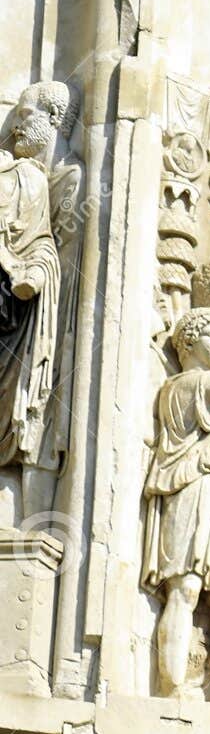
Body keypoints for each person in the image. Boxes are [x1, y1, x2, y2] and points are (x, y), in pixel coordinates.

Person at [142, 307, 210, 704]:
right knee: (185, 590)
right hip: (192, 488)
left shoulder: (206, 381)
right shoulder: (189, 383)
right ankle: (171, 687)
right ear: (189, 343)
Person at [0, 80, 70, 467]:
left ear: (53, 118)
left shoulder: (36, 179)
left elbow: (42, 243)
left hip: (13, 308)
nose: (16, 127)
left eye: (26, 116)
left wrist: (36, 271)